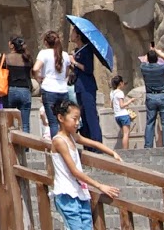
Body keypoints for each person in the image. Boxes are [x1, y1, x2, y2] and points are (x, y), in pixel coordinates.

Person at [49, 97, 121, 230]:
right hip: (66, 195)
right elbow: (74, 171)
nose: (77, 123)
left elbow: (93, 143)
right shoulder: (58, 141)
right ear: (61, 118)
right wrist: (100, 186)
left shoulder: (72, 136)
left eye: (78, 119)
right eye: (74, 119)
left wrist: (112, 152)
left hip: (79, 193)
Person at [34, 29, 72, 138]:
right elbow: (66, 74)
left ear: (46, 43)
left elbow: (35, 68)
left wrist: (39, 78)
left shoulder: (44, 53)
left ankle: (56, 147)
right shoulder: (64, 55)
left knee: (53, 122)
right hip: (63, 89)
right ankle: (66, 144)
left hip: (49, 88)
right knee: (63, 120)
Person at [70, 24, 103, 143]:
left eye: (73, 32)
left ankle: (96, 143)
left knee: (91, 115)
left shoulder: (87, 49)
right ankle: (88, 144)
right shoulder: (77, 51)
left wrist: (75, 62)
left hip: (87, 86)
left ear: (78, 35)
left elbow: (88, 69)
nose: (71, 35)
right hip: (79, 86)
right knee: (83, 116)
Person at [138, 46, 164, 148]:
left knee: (150, 122)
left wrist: (149, 51)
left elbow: (144, 61)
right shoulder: (162, 68)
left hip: (150, 96)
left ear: (148, 59)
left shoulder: (144, 68)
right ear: (157, 59)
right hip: (162, 95)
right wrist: (159, 53)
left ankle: (148, 145)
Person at [2, 36, 33, 133]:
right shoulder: (27, 58)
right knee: (25, 124)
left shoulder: (6, 58)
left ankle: (9, 146)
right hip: (25, 90)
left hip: (10, 90)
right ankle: (25, 147)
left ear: (12, 45)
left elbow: (0, 72)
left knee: (8, 123)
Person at [110, 74, 132, 149]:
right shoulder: (120, 93)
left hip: (117, 116)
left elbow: (112, 106)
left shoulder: (112, 93)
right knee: (126, 134)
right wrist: (130, 101)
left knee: (123, 134)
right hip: (123, 115)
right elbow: (122, 105)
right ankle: (125, 151)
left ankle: (124, 150)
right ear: (120, 83)